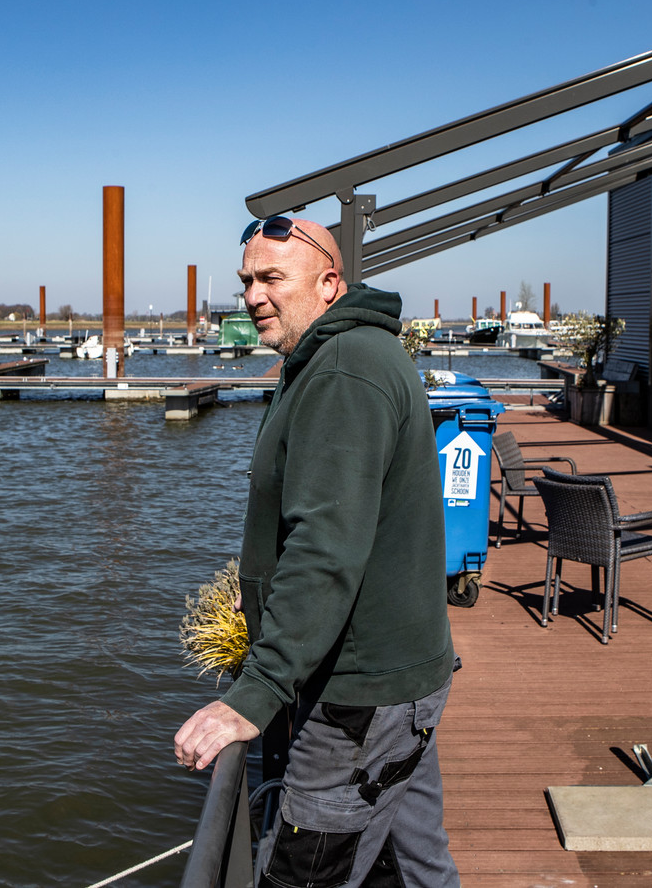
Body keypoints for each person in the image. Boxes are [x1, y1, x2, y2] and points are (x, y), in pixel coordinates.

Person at [174, 216, 459, 887]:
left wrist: (257, 692)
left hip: (357, 693)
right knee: (417, 868)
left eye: (272, 278)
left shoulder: (343, 369)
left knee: (301, 874)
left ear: (329, 284)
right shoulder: (340, 355)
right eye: (247, 280)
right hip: (397, 680)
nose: (253, 296)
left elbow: (325, 545)